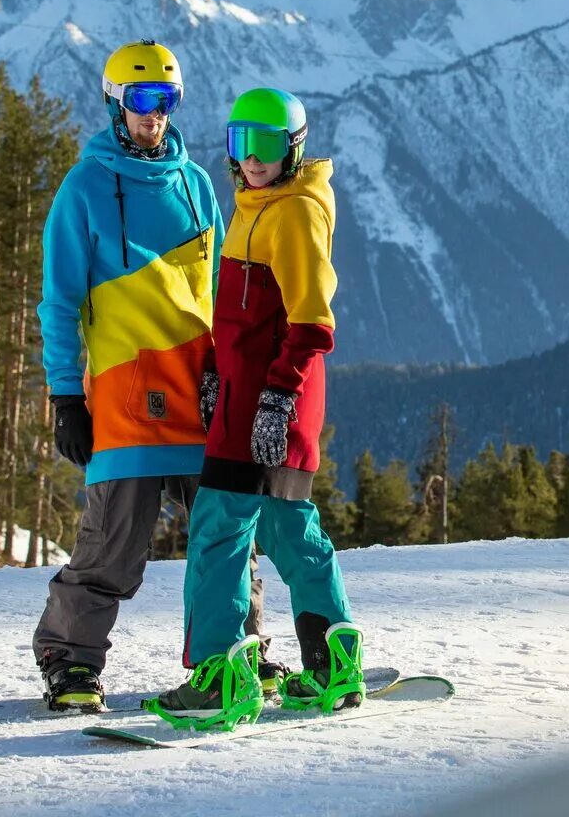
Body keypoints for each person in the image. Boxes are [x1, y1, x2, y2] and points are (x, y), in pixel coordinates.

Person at [34, 39, 268, 711]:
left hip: (199, 396)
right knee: (114, 546)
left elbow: (221, 293)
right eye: (140, 100)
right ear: (115, 103)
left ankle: (233, 655)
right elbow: (59, 302)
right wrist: (63, 394)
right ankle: (68, 658)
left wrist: (229, 366)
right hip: (125, 396)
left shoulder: (195, 186)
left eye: (164, 101)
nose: (153, 115)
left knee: (226, 537)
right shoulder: (84, 190)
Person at [146, 87, 362, 730]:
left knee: (218, 528)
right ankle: (333, 662)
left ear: (293, 147)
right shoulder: (250, 206)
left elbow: (313, 320)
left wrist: (276, 395)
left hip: (270, 401)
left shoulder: (295, 213)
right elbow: (235, 313)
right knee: (287, 529)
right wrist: (215, 368)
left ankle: (219, 676)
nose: (254, 158)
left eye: (267, 143)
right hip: (249, 397)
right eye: (243, 143)